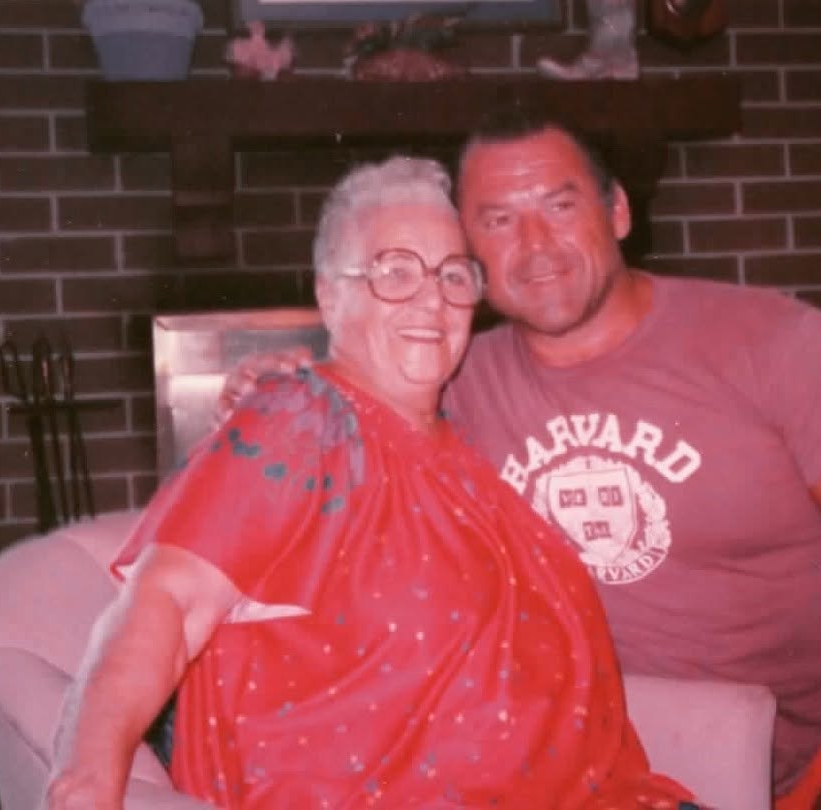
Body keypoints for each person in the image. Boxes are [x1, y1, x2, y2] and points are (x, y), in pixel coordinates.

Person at [222, 113, 821, 810]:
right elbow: (338, 432)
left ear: (620, 211)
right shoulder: (449, 382)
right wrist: (285, 384)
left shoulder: (771, 341)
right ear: (469, 253)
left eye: (560, 205)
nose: (535, 246)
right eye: (498, 220)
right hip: (587, 772)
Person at [45, 155, 694, 810]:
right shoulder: (300, 421)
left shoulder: (462, 443)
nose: (432, 300)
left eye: (452, 275)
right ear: (330, 296)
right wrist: (85, 780)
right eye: (395, 271)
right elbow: (169, 601)